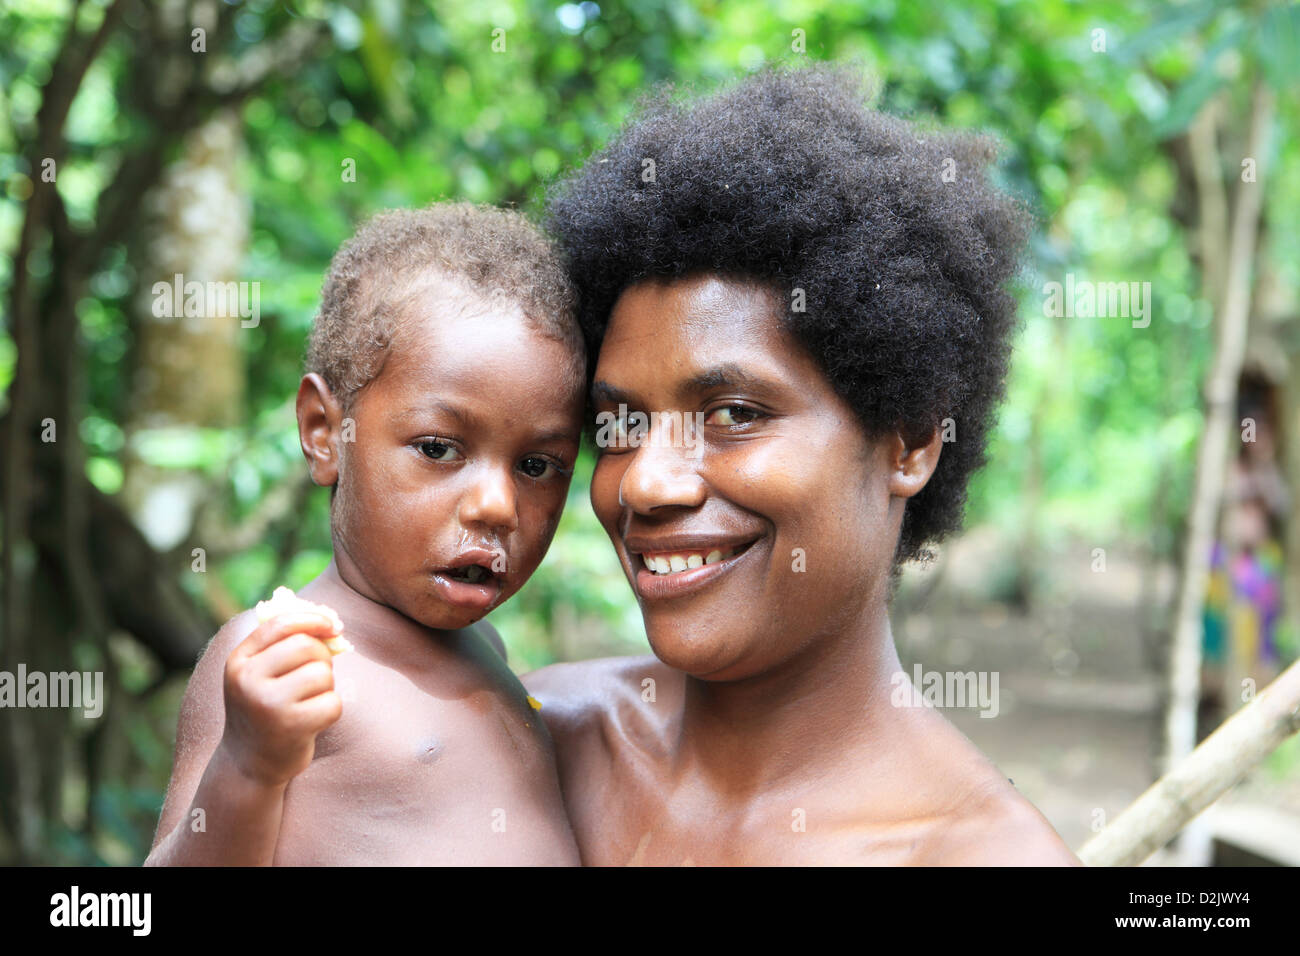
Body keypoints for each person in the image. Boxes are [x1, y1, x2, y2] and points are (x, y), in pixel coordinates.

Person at [529, 65, 1080, 865]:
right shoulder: (543, 738)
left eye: (734, 416)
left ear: (912, 442)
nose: (645, 481)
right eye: (620, 423)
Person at [147, 204, 585, 865]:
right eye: (439, 448)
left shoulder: (487, 651)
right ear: (325, 432)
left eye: (536, 465)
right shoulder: (284, 655)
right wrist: (247, 765)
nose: (498, 506)